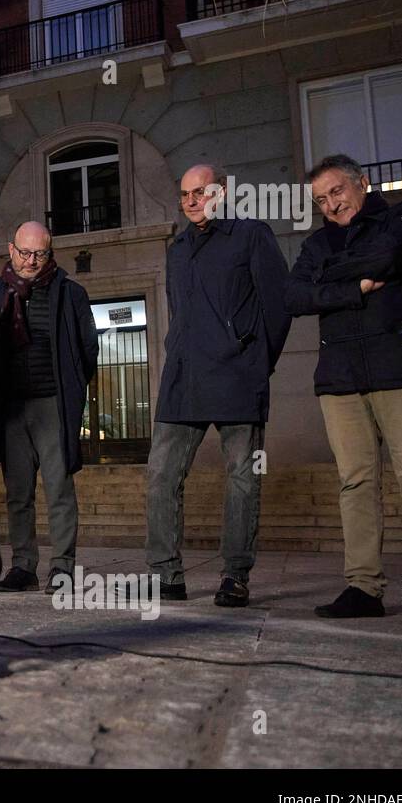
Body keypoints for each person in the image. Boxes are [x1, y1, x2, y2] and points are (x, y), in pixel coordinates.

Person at [284, 154, 402, 627]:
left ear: (362, 183)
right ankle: (363, 586)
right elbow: (293, 296)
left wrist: (331, 276)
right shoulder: (316, 243)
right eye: (321, 200)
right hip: (340, 380)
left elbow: (389, 255)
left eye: (337, 191)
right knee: (355, 483)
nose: (331, 205)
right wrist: (355, 286)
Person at [144, 164, 291, 606]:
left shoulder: (250, 235)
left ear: (222, 192)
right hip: (183, 378)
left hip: (237, 375)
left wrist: (254, 358)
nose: (192, 200)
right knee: (160, 474)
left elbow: (278, 306)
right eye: (185, 194)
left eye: (200, 191)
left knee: (242, 477)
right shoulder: (177, 248)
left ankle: (235, 575)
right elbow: (178, 310)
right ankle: (167, 574)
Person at [0, 221, 99, 594]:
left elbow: (88, 349)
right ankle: (23, 566)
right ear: (11, 250)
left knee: (59, 488)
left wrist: (73, 388)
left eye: (39, 254)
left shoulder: (71, 293)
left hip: (53, 405)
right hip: (10, 407)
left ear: (50, 253)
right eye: (24, 252)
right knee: (18, 491)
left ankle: (62, 566)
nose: (30, 261)